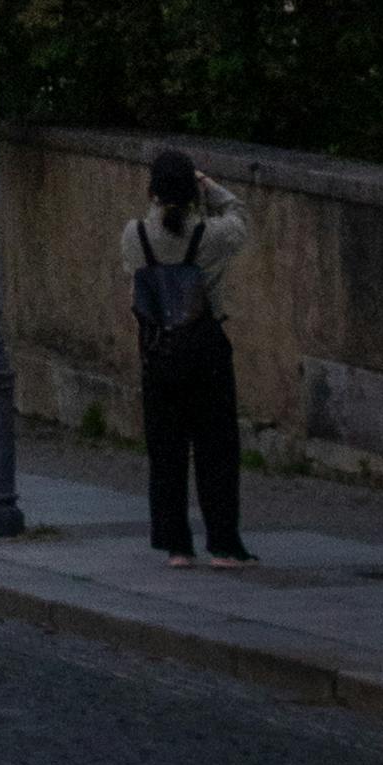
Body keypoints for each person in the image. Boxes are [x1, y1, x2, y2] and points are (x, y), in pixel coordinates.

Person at [120, 145, 252, 564]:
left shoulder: (135, 235)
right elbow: (240, 217)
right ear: (191, 190)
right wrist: (209, 187)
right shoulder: (210, 236)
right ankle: (224, 544)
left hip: (158, 350)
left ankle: (177, 545)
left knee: (166, 450)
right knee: (216, 447)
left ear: (152, 191)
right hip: (205, 348)